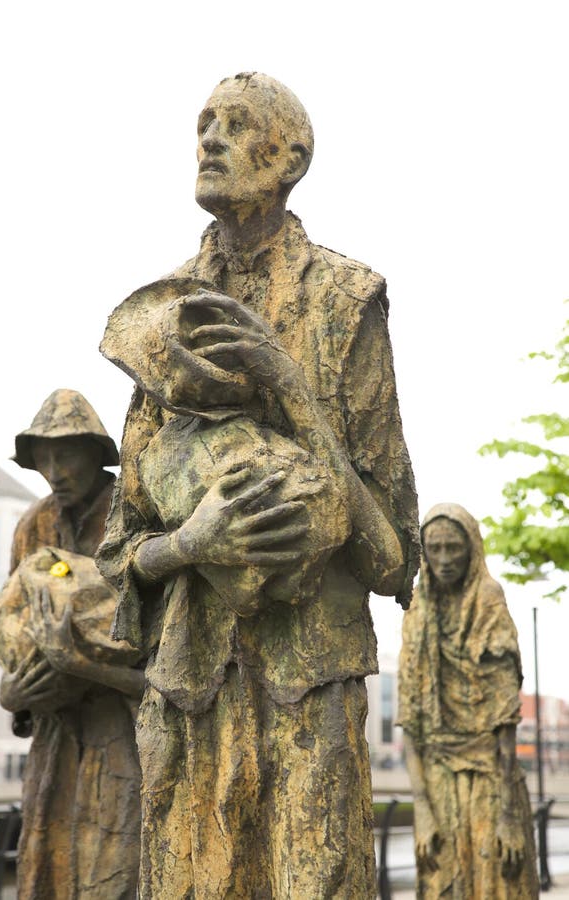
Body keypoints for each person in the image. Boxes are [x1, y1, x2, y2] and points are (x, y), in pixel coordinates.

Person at [97, 72, 419, 899]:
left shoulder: (347, 301)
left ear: (291, 158)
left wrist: (292, 391)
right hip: (189, 690)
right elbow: (117, 551)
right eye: (203, 123)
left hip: (309, 686)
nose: (209, 138)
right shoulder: (160, 314)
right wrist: (188, 545)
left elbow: (394, 560)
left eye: (236, 126)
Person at [0, 389, 142, 900]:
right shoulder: (33, 524)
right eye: (43, 457)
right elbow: (11, 622)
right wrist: (13, 696)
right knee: (46, 873)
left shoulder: (133, 512)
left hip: (119, 727)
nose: (54, 469)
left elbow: (159, 654)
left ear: (95, 451)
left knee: (115, 872)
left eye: (66, 453)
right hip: (53, 737)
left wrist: (80, 660)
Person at [398, 503, 538, 899]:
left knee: (499, 883)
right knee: (445, 883)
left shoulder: (488, 600)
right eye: (434, 548)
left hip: (493, 779)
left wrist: (509, 816)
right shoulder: (417, 609)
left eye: (453, 548)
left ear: (472, 548)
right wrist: (421, 810)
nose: (443, 560)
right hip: (438, 777)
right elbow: (410, 719)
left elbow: (504, 718)